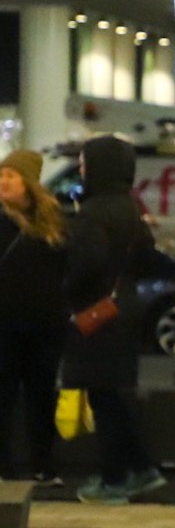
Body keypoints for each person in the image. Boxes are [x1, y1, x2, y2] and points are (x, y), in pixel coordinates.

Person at [62, 135, 166, 504]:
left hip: (97, 314)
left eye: (86, 162)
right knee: (114, 395)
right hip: (125, 308)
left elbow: (85, 264)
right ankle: (141, 469)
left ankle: (114, 479)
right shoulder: (129, 207)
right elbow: (148, 258)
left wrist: (67, 291)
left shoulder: (92, 212)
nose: (82, 168)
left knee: (104, 399)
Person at [0, 149, 68, 483]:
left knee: (42, 397)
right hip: (5, 324)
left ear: (29, 182)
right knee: (4, 395)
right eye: (1, 176)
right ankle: (4, 467)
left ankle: (43, 464)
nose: (3, 182)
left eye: (11, 176)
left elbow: (65, 268)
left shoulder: (54, 220)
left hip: (46, 325)